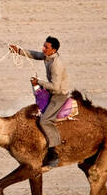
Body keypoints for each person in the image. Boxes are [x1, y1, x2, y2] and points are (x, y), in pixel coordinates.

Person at [10, 37, 69, 167]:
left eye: (46, 47)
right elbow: (35, 54)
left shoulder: (56, 64)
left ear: (53, 49)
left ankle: (54, 153)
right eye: (43, 46)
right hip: (53, 91)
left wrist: (39, 82)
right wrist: (18, 51)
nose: (43, 49)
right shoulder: (48, 56)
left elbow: (56, 87)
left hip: (59, 95)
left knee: (45, 120)